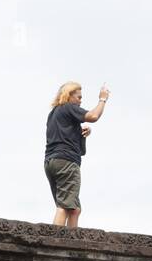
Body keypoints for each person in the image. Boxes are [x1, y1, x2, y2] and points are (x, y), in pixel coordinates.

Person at [44, 81, 110, 227]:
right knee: (64, 207)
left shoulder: (54, 114)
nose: (80, 101)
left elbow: (79, 150)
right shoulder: (68, 107)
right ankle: (54, 239)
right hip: (66, 162)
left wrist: (82, 134)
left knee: (74, 209)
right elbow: (93, 116)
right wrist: (102, 99)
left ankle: (71, 238)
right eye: (79, 97)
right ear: (68, 96)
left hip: (52, 162)